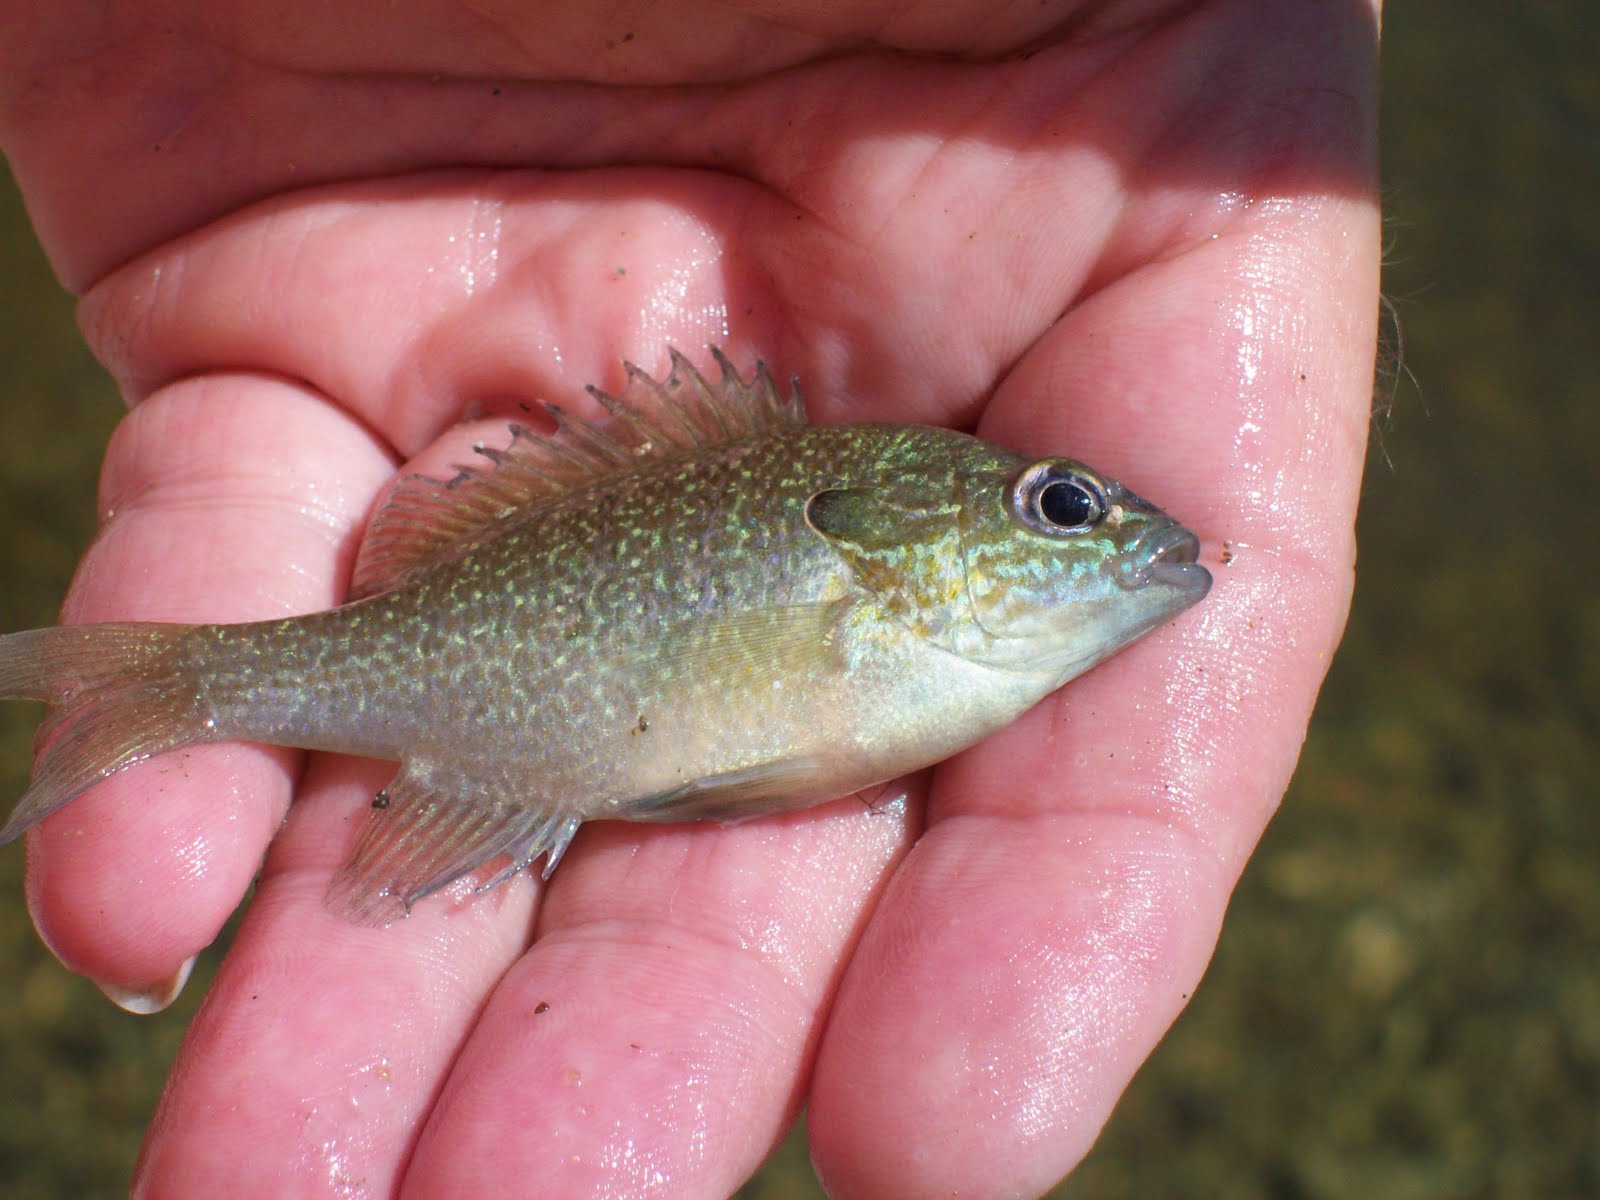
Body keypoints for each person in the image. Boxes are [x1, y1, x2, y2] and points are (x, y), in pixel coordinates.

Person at [0, 1, 1380, 1196]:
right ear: (897, 534)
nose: (1120, 537)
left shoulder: (913, 595)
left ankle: (160, 692)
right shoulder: (878, 581)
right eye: (1058, 509)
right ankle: (173, 686)